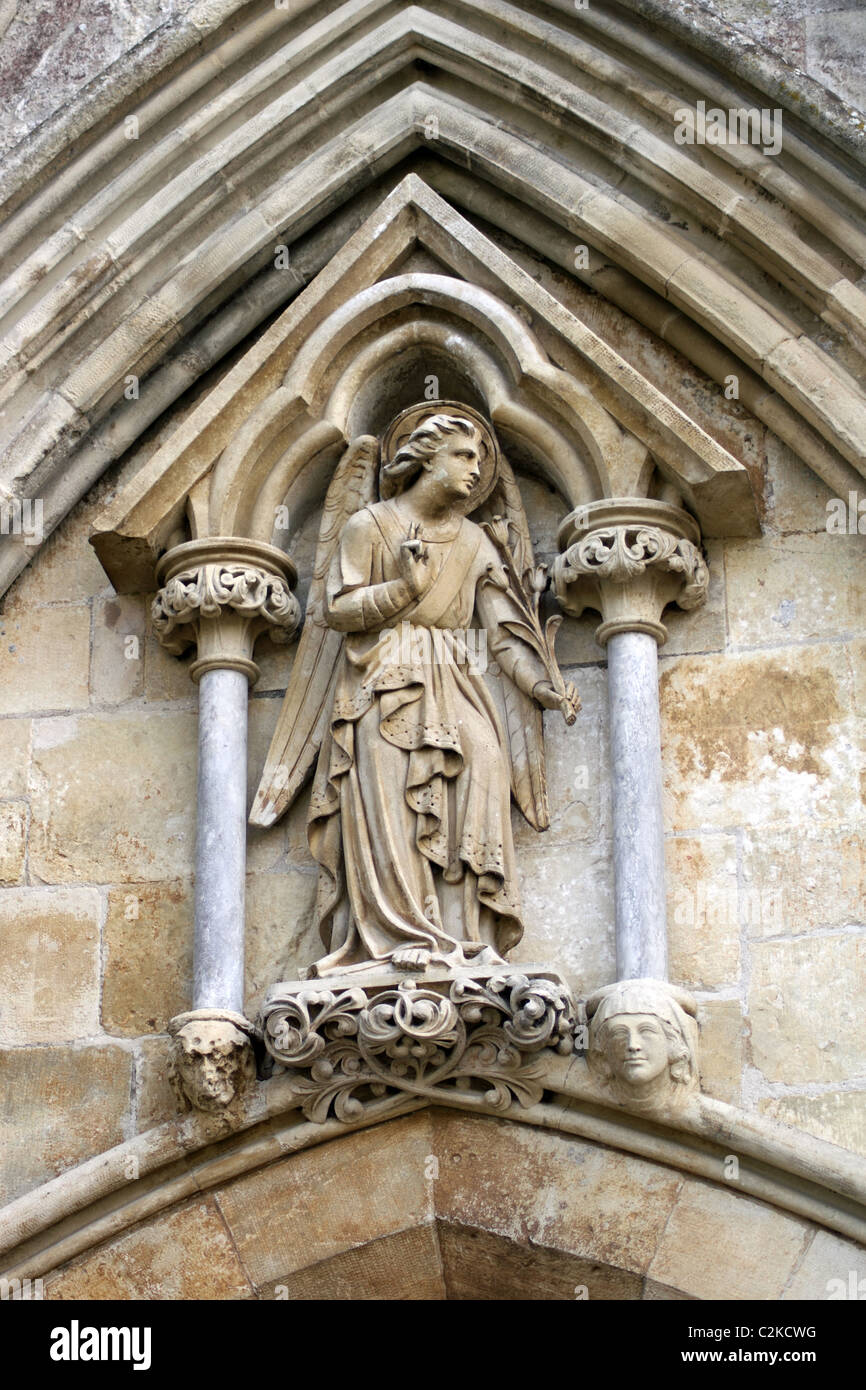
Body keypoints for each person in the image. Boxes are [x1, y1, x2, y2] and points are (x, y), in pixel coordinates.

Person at [305, 412, 576, 975]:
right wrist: (406, 587)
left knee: (484, 763)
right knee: (391, 797)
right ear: (427, 457)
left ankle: (464, 934)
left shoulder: (475, 540)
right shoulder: (369, 527)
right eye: (464, 456)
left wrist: (542, 686)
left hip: (456, 679)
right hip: (383, 684)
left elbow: (502, 635)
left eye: (479, 459)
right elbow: (338, 610)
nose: (476, 471)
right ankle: (396, 931)